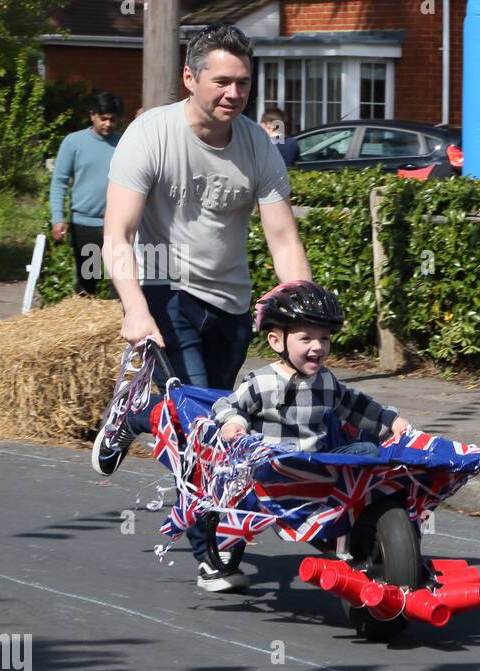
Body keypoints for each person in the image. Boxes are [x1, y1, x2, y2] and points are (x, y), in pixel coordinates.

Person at [94, 24, 312, 588]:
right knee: (202, 433)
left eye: (242, 83)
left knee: (219, 417)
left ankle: (137, 414)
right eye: (221, 81)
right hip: (167, 293)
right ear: (190, 78)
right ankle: (209, 550)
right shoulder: (151, 135)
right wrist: (135, 309)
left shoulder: (257, 144)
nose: (233, 94)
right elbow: (117, 233)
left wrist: (302, 313)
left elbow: (283, 238)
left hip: (230, 305)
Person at [206, 281, 412, 590]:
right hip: (272, 469)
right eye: (306, 338)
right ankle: (228, 543)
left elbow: (355, 406)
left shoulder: (326, 381)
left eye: (324, 338)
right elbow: (228, 404)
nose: (318, 346)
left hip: (318, 467)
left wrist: (390, 421)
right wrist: (234, 422)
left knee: (369, 452)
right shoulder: (262, 382)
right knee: (238, 492)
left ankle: (363, 531)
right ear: (277, 341)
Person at [50, 92, 122, 295]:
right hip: (85, 224)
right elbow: (59, 183)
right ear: (93, 115)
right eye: (103, 118)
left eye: (112, 119)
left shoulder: (124, 143)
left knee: (119, 282)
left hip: (116, 224)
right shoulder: (74, 143)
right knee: (87, 280)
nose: (108, 124)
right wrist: (58, 218)